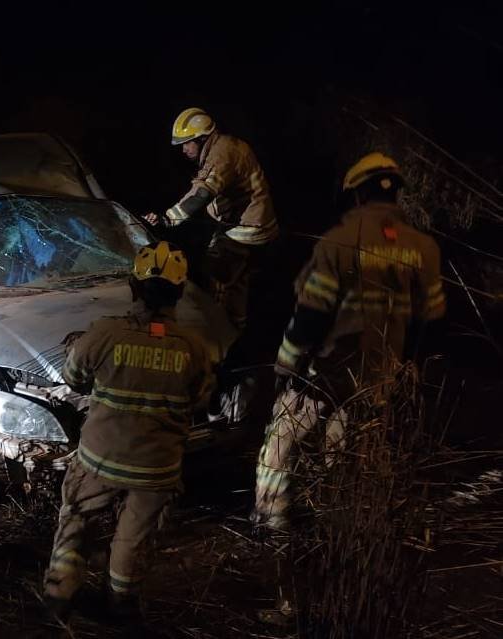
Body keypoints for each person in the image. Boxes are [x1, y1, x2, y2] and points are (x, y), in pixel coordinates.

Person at [252, 151, 446, 533]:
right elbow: (431, 320)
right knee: (343, 448)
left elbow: (310, 314)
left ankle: (269, 523)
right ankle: (339, 525)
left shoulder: (339, 243)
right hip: (379, 374)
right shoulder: (423, 248)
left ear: (357, 195)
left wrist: (285, 365)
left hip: (327, 368)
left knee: (279, 441)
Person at [42, 241, 215, 631]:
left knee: (77, 517)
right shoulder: (194, 348)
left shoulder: (106, 333)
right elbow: (201, 397)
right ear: (180, 293)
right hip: (157, 468)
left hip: (100, 458)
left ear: (133, 288)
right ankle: (121, 606)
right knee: (133, 539)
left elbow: (73, 378)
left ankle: (58, 596)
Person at [145, 107, 279, 423]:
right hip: (247, 227)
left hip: (246, 233)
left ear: (203, 137)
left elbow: (201, 194)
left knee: (217, 281)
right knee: (231, 278)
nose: (182, 149)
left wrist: (167, 218)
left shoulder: (223, 154)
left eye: (186, 142)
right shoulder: (223, 147)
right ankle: (240, 325)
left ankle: (226, 348)